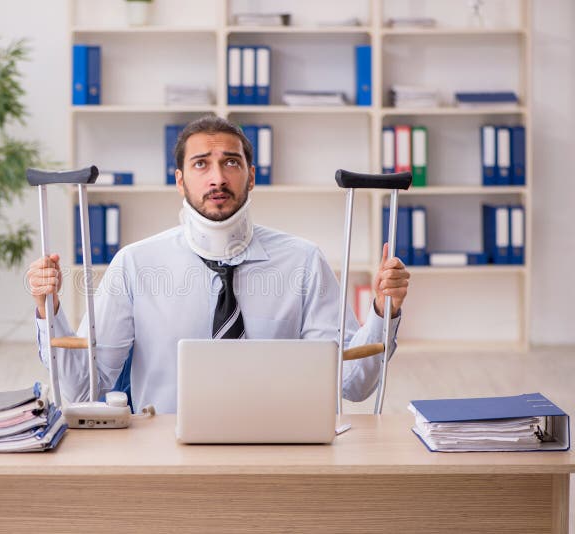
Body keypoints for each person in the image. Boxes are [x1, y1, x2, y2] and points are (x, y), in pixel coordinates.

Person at [27, 115, 410, 414]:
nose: (217, 178)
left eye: (231, 162)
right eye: (200, 164)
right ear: (179, 181)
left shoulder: (304, 262)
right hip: (162, 450)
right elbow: (81, 388)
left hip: (279, 447)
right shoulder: (135, 264)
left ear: (251, 176)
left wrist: (381, 309)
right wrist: (49, 309)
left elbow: (353, 384)